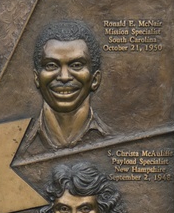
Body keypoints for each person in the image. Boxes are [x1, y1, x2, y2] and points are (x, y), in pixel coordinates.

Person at [20, 19, 112, 154]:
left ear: (95, 79)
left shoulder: (112, 141)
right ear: (36, 78)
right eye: (51, 65)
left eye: (76, 65)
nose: (64, 77)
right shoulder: (16, 146)